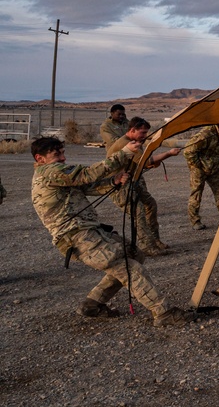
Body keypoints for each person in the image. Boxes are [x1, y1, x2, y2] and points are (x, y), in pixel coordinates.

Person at [30, 136, 191, 327]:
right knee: (129, 268)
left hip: (89, 231)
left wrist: (114, 181)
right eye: (57, 154)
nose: (63, 157)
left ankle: (93, 304)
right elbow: (88, 174)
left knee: (134, 254)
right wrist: (124, 153)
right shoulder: (49, 172)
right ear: (40, 158)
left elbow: (89, 185)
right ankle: (163, 313)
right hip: (77, 236)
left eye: (63, 152)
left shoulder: (57, 174)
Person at [107, 117, 181, 256]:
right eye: (142, 132)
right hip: (119, 185)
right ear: (132, 130)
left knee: (150, 204)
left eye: (146, 132)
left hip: (131, 180)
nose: (145, 136)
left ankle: (155, 240)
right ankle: (147, 247)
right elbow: (146, 162)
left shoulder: (134, 142)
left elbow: (142, 163)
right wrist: (168, 153)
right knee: (138, 212)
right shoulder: (126, 144)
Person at [183, 124, 219, 230]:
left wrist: (212, 164)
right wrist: (198, 165)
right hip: (199, 170)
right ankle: (195, 221)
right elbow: (188, 151)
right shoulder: (206, 134)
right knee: (196, 194)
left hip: (214, 168)